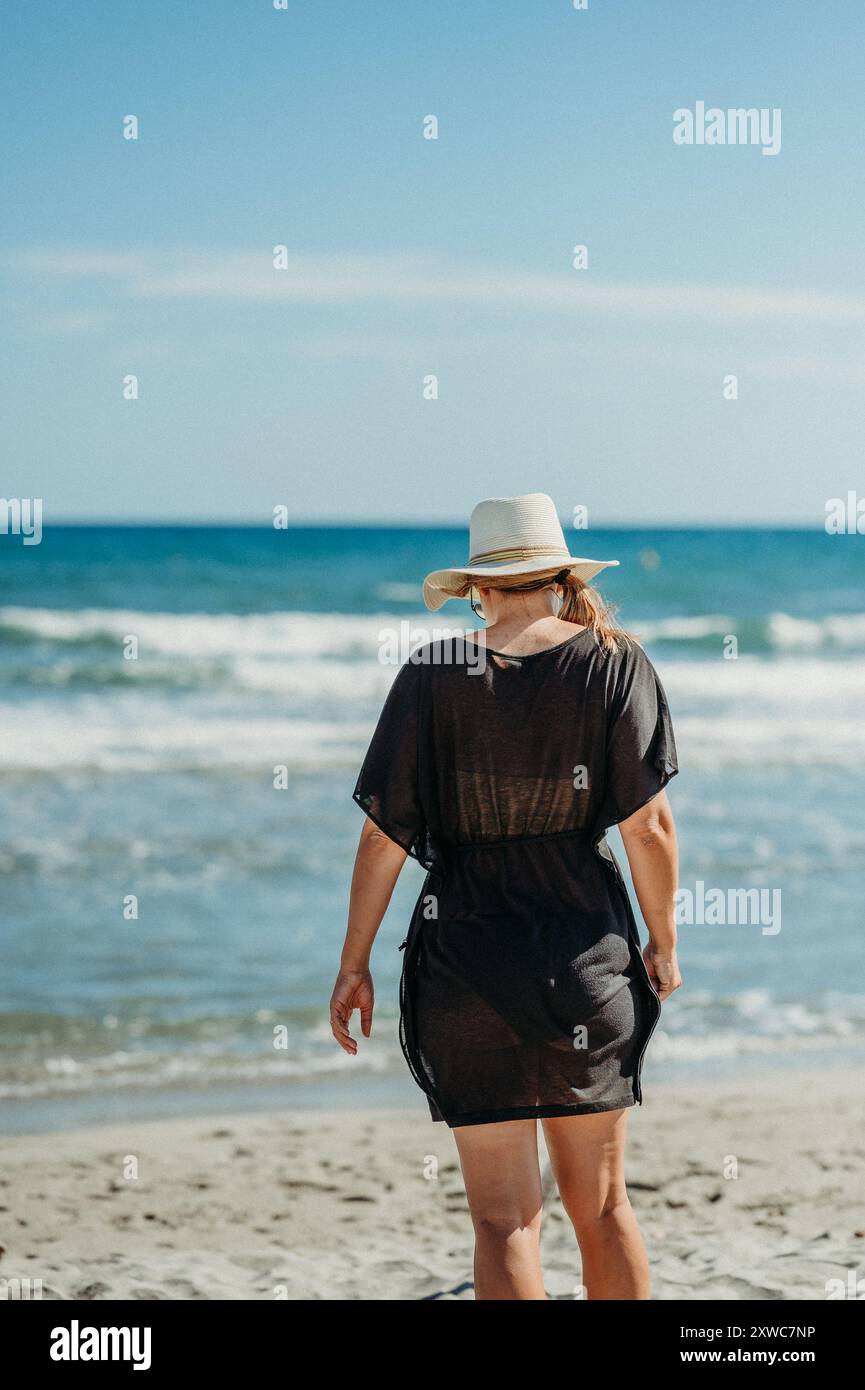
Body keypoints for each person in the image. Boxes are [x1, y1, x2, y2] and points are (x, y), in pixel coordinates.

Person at [331, 493, 681, 1300]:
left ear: (476, 589)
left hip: (464, 969)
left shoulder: (431, 675)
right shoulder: (613, 662)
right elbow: (649, 827)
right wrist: (664, 943)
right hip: (584, 961)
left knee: (500, 1222)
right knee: (600, 1206)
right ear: (557, 578)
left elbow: (382, 837)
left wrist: (353, 965)